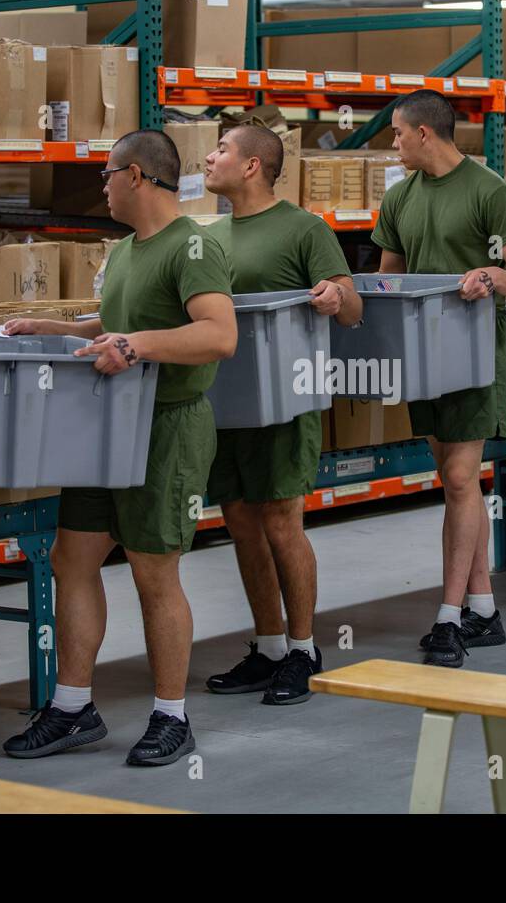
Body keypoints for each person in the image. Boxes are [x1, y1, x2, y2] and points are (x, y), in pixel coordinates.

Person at [0, 130, 236, 766]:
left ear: (135, 175)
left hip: (166, 427)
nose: (100, 186)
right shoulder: (128, 250)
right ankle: (74, 707)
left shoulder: (193, 245)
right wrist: (52, 328)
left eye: (106, 175)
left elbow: (219, 334)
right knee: (70, 559)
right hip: (108, 425)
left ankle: (171, 716)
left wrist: (137, 349)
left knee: (153, 572)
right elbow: (117, 319)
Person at [372, 89, 506, 667]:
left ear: (424, 133)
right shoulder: (399, 199)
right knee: (452, 479)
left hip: (475, 356)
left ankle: (448, 618)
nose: (393, 145)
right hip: (424, 358)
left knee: (463, 478)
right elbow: (387, 283)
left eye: (397, 134)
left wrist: (491, 274)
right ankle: (485, 609)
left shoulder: (488, 191)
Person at [200, 126, 362, 704]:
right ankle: (268, 647)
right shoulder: (207, 234)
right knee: (240, 523)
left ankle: (302, 648)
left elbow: (352, 307)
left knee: (280, 523)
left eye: (220, 149)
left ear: (251, 166)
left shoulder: (304, 229)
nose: (208, 157)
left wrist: (335, 296)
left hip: (286, 402)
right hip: (226, 402)